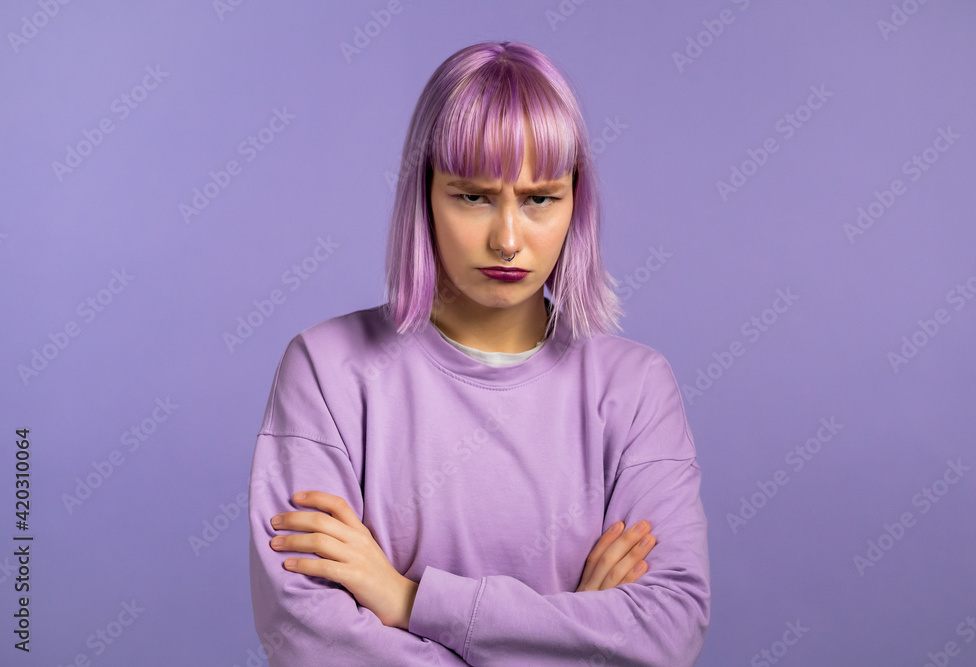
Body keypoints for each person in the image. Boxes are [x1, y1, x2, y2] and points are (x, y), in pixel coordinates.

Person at [248, 40, 710, 665]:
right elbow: (308, 638)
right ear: (424, 195)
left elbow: (667, 632)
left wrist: (410, 600)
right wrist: (574, 640)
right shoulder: (326, 371)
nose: (508, 239)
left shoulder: (636, 389)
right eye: (473, 196)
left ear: (577, 202)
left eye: (540, 198)